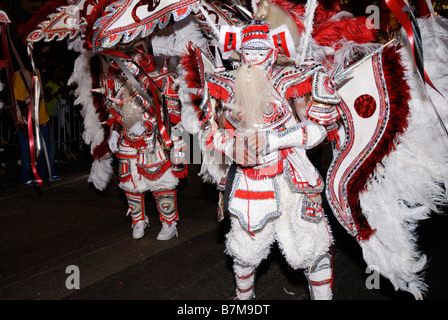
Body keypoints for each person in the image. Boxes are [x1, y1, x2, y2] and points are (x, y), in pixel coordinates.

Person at [201, 21, 338, 300]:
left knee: (311, 247)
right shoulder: (223, 84)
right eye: (247, 51)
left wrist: (274, 140)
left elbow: (317, 132)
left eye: (259, 50)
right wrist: (231, 148)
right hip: (248, 181)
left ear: (273, 50)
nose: (252, 58)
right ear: (238, 50)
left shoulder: (292, 81)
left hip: (291, 177)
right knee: (244, 251)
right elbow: (209, 133)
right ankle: (243, 300)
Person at [103, 41, 187, 240]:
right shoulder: (116, 84)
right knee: (130, 183)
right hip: (127, 142)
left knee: (161, 182)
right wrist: (114, 132)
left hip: (154, 140)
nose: (127, 69)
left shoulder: (161, 80)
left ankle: (169, 223)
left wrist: (148, 124)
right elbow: (114, 114)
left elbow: (172, 115)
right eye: (123, 64)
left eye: (130, 62)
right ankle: (138, 220)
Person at [12, 68, 59, 185]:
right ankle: (26, 176)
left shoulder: (34, 73)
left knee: (47, 148)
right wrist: (29, 121)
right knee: (28, 150)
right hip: (28, 122)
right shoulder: (19, 75)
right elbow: (20, 101)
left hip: (42, 119)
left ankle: (47, 172)